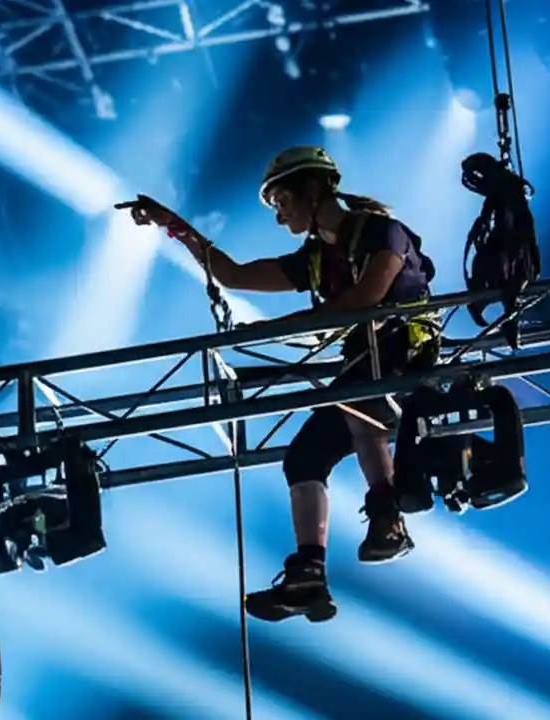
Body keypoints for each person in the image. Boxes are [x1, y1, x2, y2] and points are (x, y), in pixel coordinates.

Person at [125, 146, 439, 623]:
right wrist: (174, 224)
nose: (279, 217)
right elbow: (232, 273)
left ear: (313, 190)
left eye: (282, 203)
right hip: (363, 366)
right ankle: (308, 573)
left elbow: (365, 298)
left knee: (360, 396)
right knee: (306, 456)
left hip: (404, 353)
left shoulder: (382, 233)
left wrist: (272, 329)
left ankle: (386, 515)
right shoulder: (316, 258)